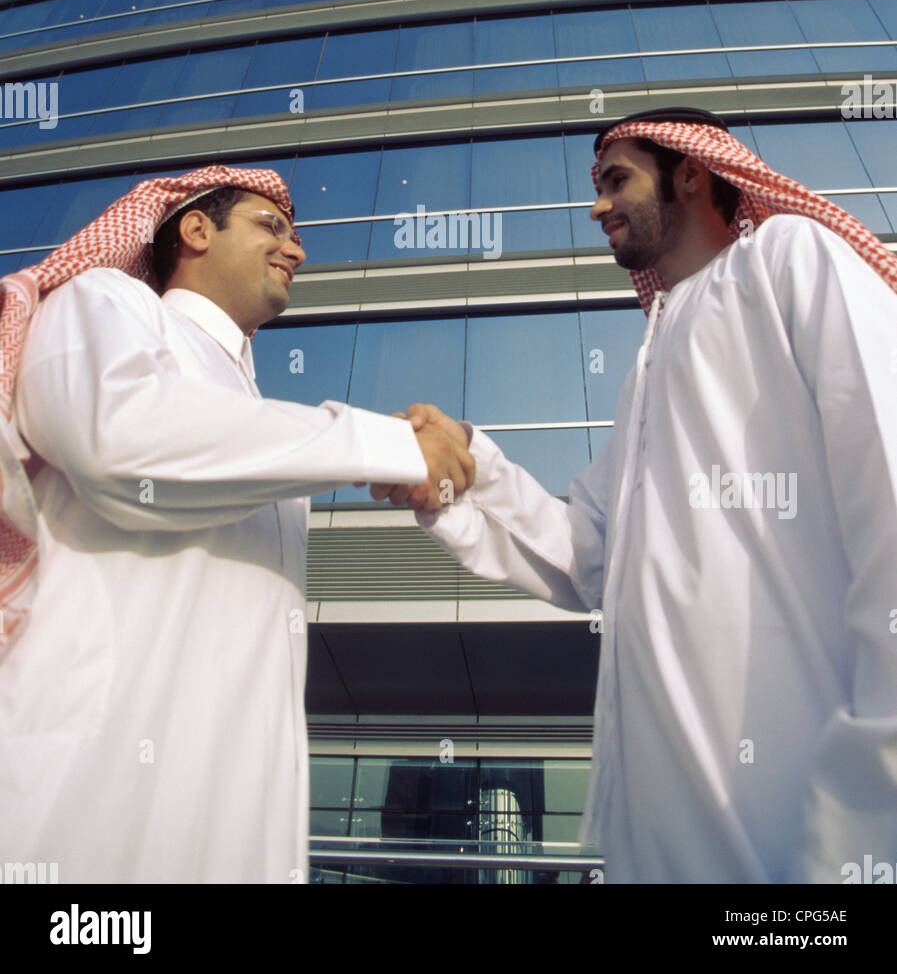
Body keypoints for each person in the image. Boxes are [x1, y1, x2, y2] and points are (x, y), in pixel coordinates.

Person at [374, 108, 897, 883]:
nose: (596, 207)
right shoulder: (648, 363)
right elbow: (589, 554)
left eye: (615, 179)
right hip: (663, 837)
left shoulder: (787, 260)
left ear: (690, 172)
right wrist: (466, 470)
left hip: (807, 841)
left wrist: (863, 831)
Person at [0, 163, 473, 883]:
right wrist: (384, 444)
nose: (297, 251)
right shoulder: (104, 302)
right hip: (84, 797)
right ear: (194, 228)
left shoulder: (253, 413)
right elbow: (118, 439)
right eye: (271, 226)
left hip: (227, 819)